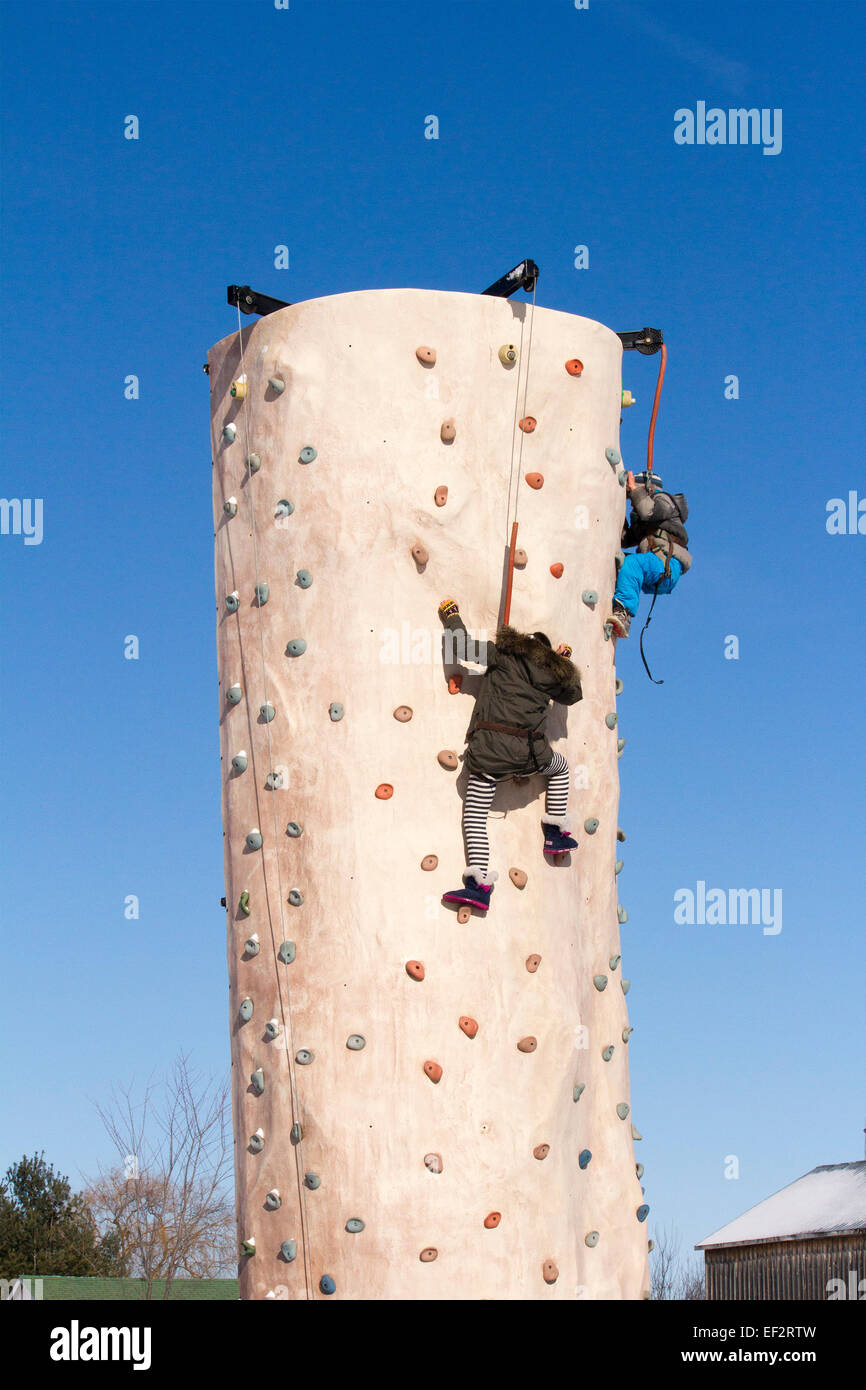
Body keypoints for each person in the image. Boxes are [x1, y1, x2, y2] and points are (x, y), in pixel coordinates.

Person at [436, 598, 583, 914]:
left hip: (489, 752)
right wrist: (563, 665)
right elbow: (573, 694)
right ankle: (556, 832)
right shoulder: (550, 673)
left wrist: (451, 615)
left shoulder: (502, 654)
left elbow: (461, 647)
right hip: (530, 754)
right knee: (560, 769)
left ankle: (480, 886)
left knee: (475, 814)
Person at [608, 470, 691, 637]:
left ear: (648, 489)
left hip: (666, 565)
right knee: (617, 562)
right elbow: (625, 539)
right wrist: (616, 509)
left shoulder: (665, 500)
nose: (631, 498)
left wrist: (635, 490)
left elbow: (648, 511)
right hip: (655, 566)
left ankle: (624, 613)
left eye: (633, 492)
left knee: (633, 564)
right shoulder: (643, 518)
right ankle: (615, 606)